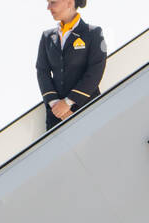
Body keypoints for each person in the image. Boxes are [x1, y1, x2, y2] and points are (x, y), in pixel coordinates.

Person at [37, 0, 107, 131]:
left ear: (69, 2)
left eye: (53, 2)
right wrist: (55, 104)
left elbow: (96, 71)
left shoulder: (93, 33)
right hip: (55, 114)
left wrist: (68, 102)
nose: (48, 7)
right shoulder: (47, 37)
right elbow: (42, 71)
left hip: (88, 108)